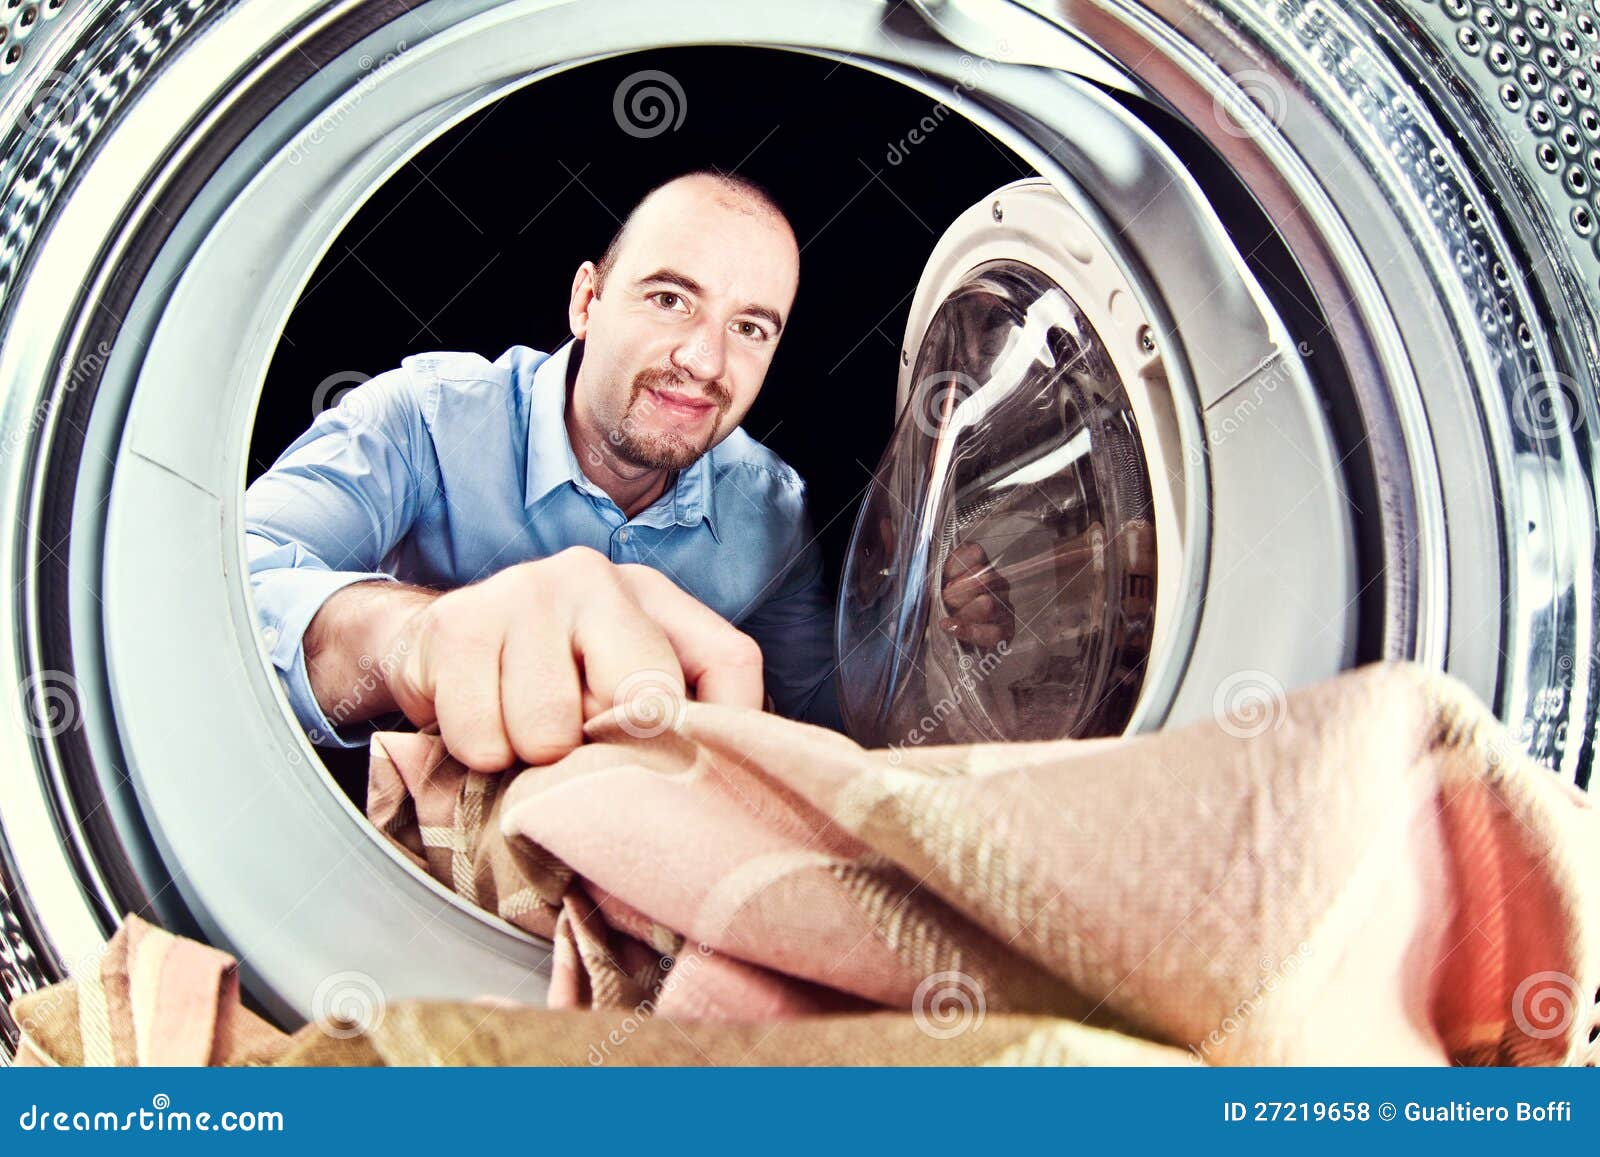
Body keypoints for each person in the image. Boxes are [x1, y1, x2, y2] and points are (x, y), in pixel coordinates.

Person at [245, 170, 842, 773]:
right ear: (586, 302)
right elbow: (225, 585)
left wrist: (930, 636)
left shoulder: (773, 510)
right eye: (669, 300)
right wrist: (426, 638)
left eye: (748, 329)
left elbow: (829, 715)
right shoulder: (424, 420)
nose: (704, 360)